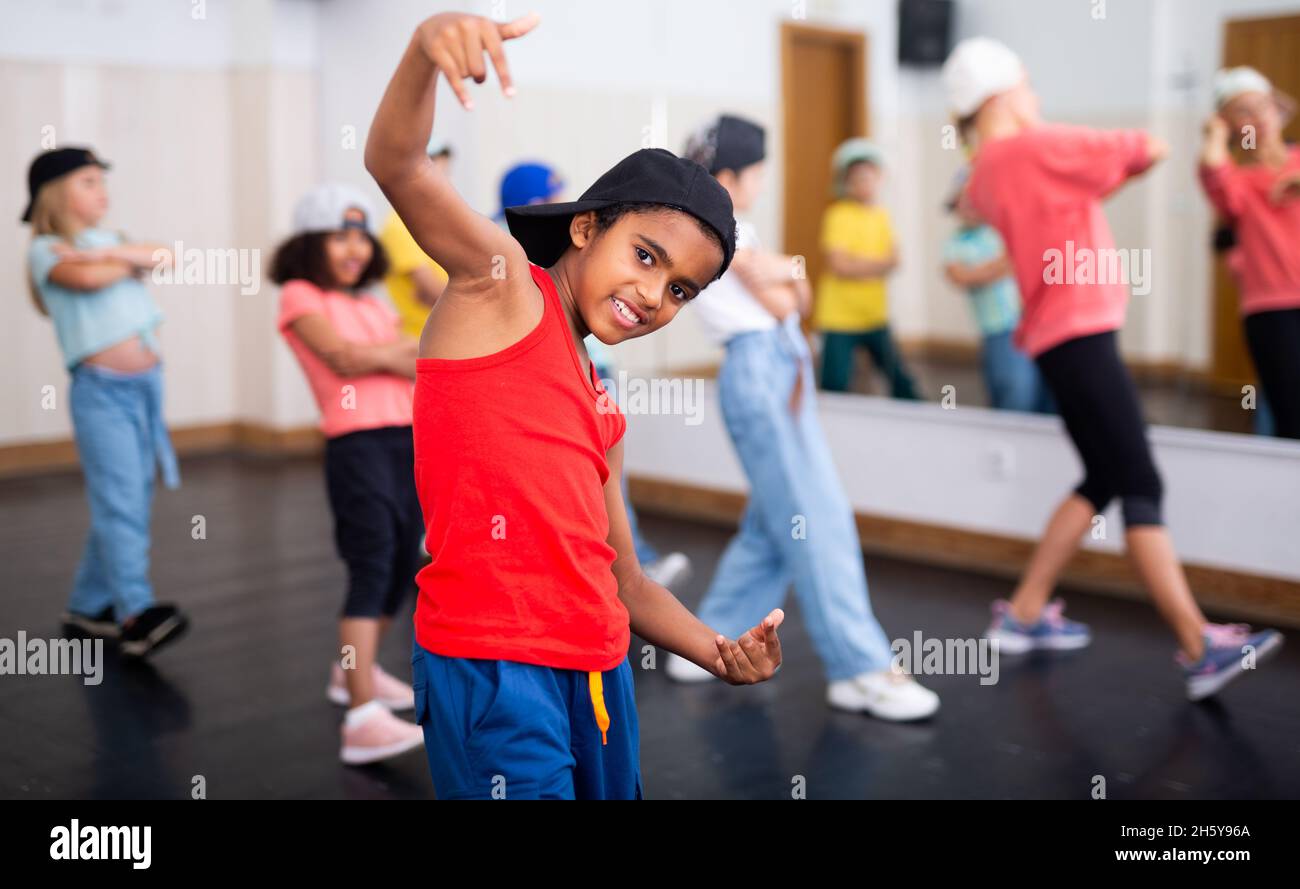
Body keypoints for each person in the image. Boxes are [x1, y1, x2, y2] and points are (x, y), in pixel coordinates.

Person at [365, 10, 783, 799]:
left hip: (599, 674)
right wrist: (426, 47)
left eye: (681, 289)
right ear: (586, 226)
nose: (654, 294)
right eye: (647, 256)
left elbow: (625, 582)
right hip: (494, 670)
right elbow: (397, 163)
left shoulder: (602, 407)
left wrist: (717, 648)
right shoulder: (501, 287)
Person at [943, 37, 1282, 701]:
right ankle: (1197, 645)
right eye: (1029, 86)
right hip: (1082, 333)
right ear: (1002, 94)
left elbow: (1062, 188)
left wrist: (1076, 170)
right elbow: (1148, 148)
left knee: (1103, 475)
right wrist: (1059, 143)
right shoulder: (1038, 146)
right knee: (1140, 478)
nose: (1036, 97)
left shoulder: (985, 171)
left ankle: (1027, 609)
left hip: (1054, 336)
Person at [667, 114, 939, 722]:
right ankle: (861, 668)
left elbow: (799, 299)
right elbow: (784, 298)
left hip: (778, 365)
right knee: (817, 517)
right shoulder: (718, 227)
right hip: (760, 369)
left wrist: (791, 273)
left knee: (774, 526)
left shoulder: (734, 227)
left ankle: (707, 646)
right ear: (732, 176)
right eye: (758, 172)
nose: (763, 183)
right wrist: (791, 273)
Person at [272, 183, 425, 765]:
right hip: (355, 445)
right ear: (311, 243)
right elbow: (342, 358)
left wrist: (384, 355)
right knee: (371, 564)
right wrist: (395, 353)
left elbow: (419, 360)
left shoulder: (369, 301)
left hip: (404, 439)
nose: (355, 248)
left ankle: (349, 676)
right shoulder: (299, 294)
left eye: (361, 236)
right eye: (341, 235)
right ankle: (361, 717)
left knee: (404, 567)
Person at [23, 146, 189, 657]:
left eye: (102, 181)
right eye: (89, 182)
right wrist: (122, 259)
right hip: (102, 394)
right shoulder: (47, 249)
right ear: (57, 194)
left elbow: (167, 255)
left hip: (146, 389)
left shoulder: (107, 242)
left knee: (128, 497)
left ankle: (86, 605)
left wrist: (106, 252)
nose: (102, 192)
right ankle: (134, 613)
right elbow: (89, 279)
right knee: (122, 501)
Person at [1198, 66, 1300, 439]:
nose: (1257, 116)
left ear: (1277, 109)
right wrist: (1215, 133)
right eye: (1243, 110)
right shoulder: (1238, 180)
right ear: (1229, 124)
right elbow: (1212, 169)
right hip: (1271, 309)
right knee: (1291, 414)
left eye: (1263, 105)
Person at [814, 139, 920, 399]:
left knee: (899, 379)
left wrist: (860, 263)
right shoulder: (838, 215)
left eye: (871, 178)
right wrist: (878, 264)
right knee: (834, 382)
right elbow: (839, 265)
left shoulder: (882, 215)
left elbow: (896, 259)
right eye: (859, 179)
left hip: (874, 314)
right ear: (846, 183)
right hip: (839, 317)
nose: (866, 184)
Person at [941, 168, 1053, 413]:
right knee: (1012, 386)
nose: (970, 205)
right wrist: (1000, 266)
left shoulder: (1001, 231)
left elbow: (1023, 258)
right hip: (998, 327)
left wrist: (988, 269)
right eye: (964, 200)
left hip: (1032, 321)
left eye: (977, 199)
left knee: (1045, 384)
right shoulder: (954, 244)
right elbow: (960, 276)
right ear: (954, 205)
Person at [379, 138, 452, 340]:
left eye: (444, 171)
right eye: (431, 166)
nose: (442, 180)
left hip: (447, 336)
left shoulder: (438, 220)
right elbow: (433, 292)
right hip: (424, 341)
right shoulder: (399, 225)